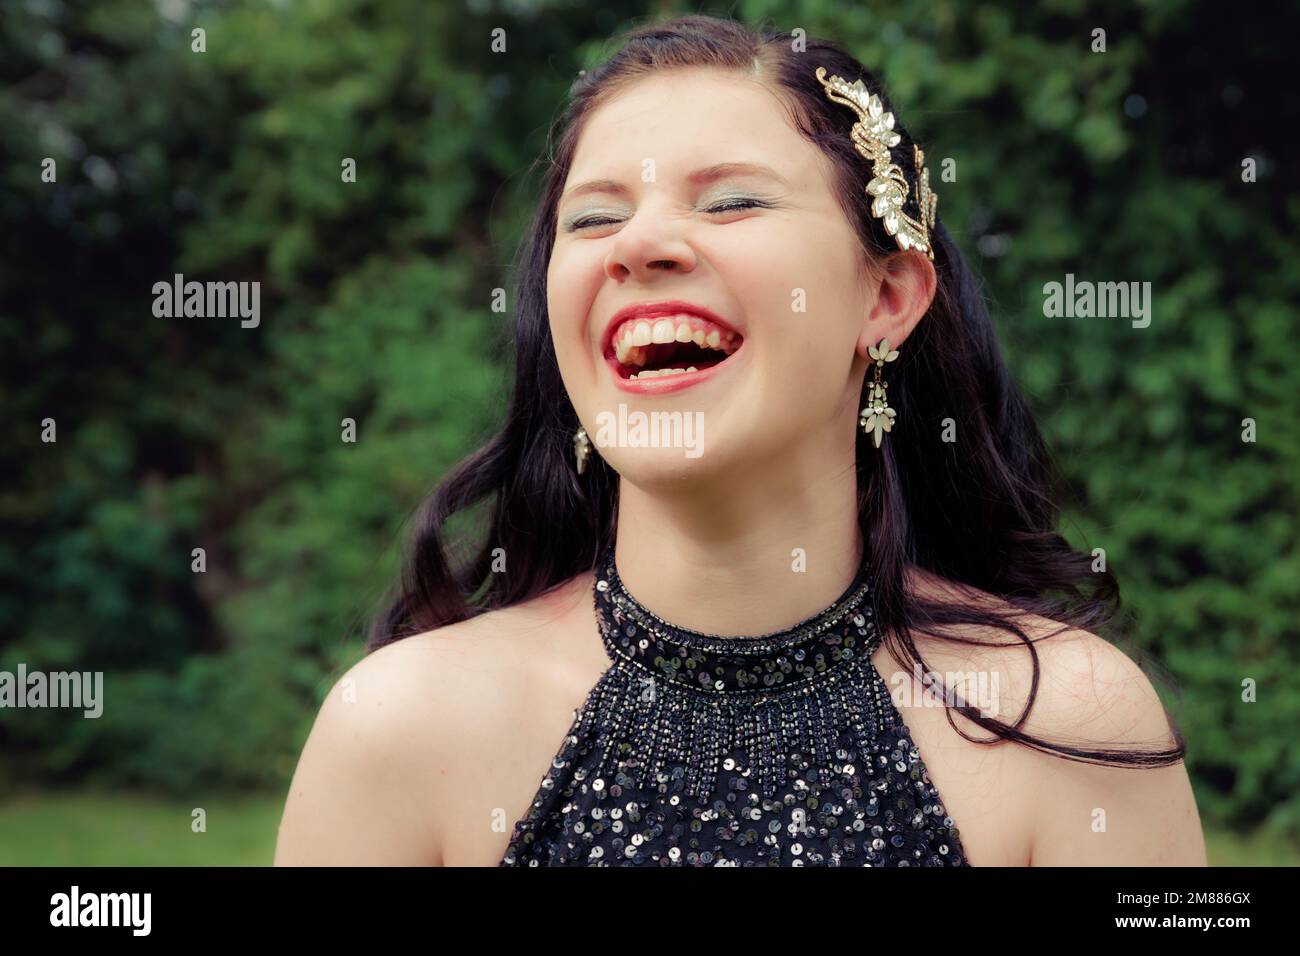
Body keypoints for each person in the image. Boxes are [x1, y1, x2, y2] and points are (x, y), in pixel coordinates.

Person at [275, 15, 1205, 867]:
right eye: (594, 217)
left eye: (730, 204)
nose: (638, 245)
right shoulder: (398, 729)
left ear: (886, 299)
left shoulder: (1068, 722)